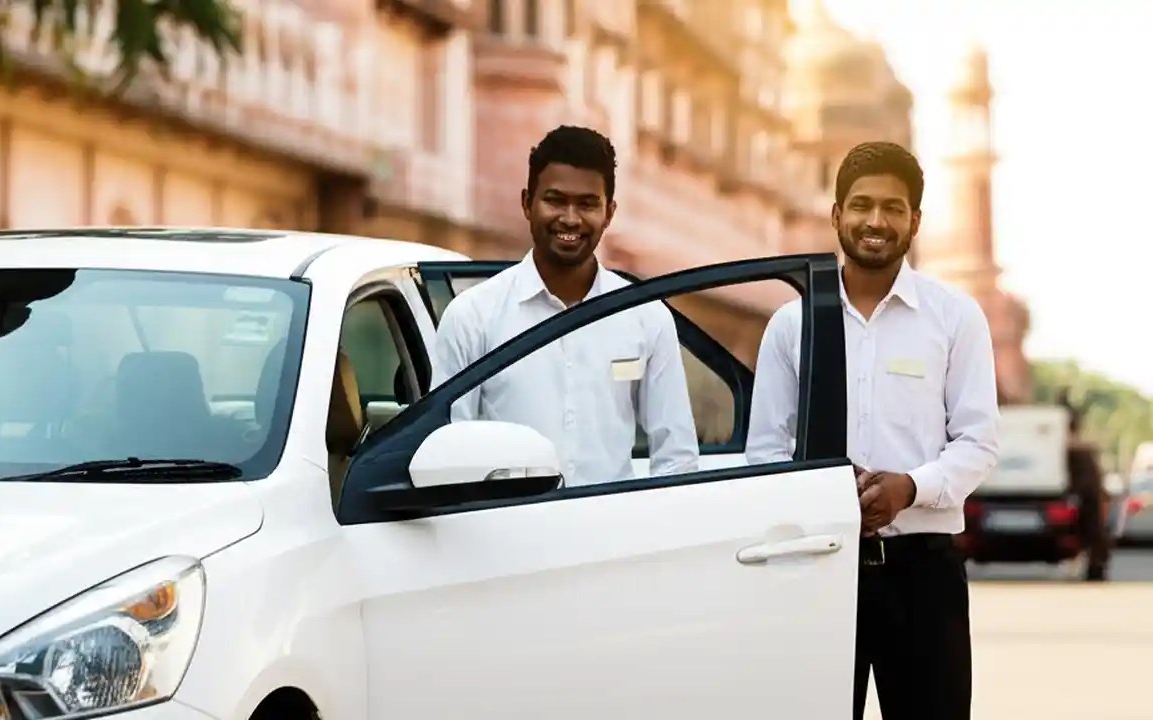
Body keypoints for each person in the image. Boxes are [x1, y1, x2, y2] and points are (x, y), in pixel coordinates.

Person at [744, 141, 1000, 720]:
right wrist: (827, 496)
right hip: (816, 565)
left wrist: (909, 488)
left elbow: (978, 440)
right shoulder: (792, 324)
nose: (876, 221)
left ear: (915, 221)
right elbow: (766, 451)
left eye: (893, 208)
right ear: (837, 214)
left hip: (922, 573)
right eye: (861, 205)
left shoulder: (954, 317)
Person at [430, 124, 699, 487]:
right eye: (555, 200)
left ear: (609, 212)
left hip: (614, 524)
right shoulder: (472, 317)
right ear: (527, 203)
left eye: (587, 204)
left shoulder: (646, 318)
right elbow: (448, 455)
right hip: (505, 521)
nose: (570, 218)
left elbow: (677, 458)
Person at [1062, 394, 1112, 581]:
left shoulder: (1077, 449)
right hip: (1087, 495)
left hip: (1084, 495)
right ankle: (1095, 565)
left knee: (1093, 530)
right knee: (1094, 530)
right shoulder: (1084, 450)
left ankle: (1095, 565)